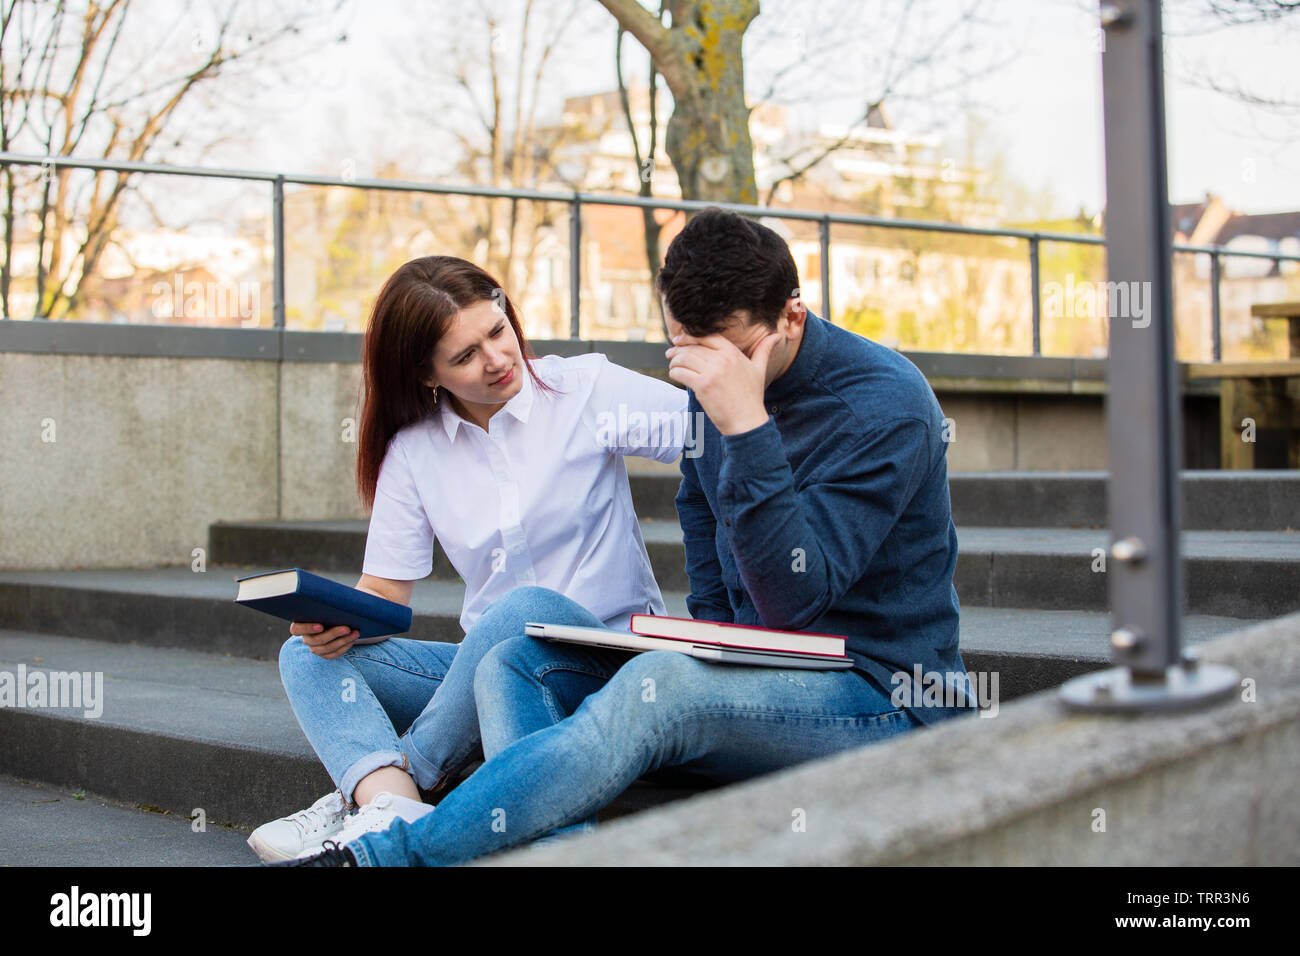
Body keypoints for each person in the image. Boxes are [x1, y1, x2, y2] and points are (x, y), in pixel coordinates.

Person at [278, 206, 978, 868]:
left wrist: (747, 427)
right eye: (682, 346)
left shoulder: (885, 406)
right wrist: (713, 644)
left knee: (653, 681)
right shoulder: (704, 385)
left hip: (879, 691)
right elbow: (706, 533)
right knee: (507, 661)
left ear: (791, 316)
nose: (699, 370)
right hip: (750, 669)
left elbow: (793, 601)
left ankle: (385, 852)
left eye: (724, 354)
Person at [247, 255, 688, 861]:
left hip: (603, 663)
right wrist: (333, 620)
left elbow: (711, 434)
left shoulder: (587, 390)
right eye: (464, 357)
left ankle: (394, 789)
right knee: (305, 656)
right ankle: (388, 804)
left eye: (497, 331)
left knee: (524, 610)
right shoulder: (414, 451)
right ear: (427, 374)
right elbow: (385, 594)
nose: (498, 360)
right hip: (485, 674)